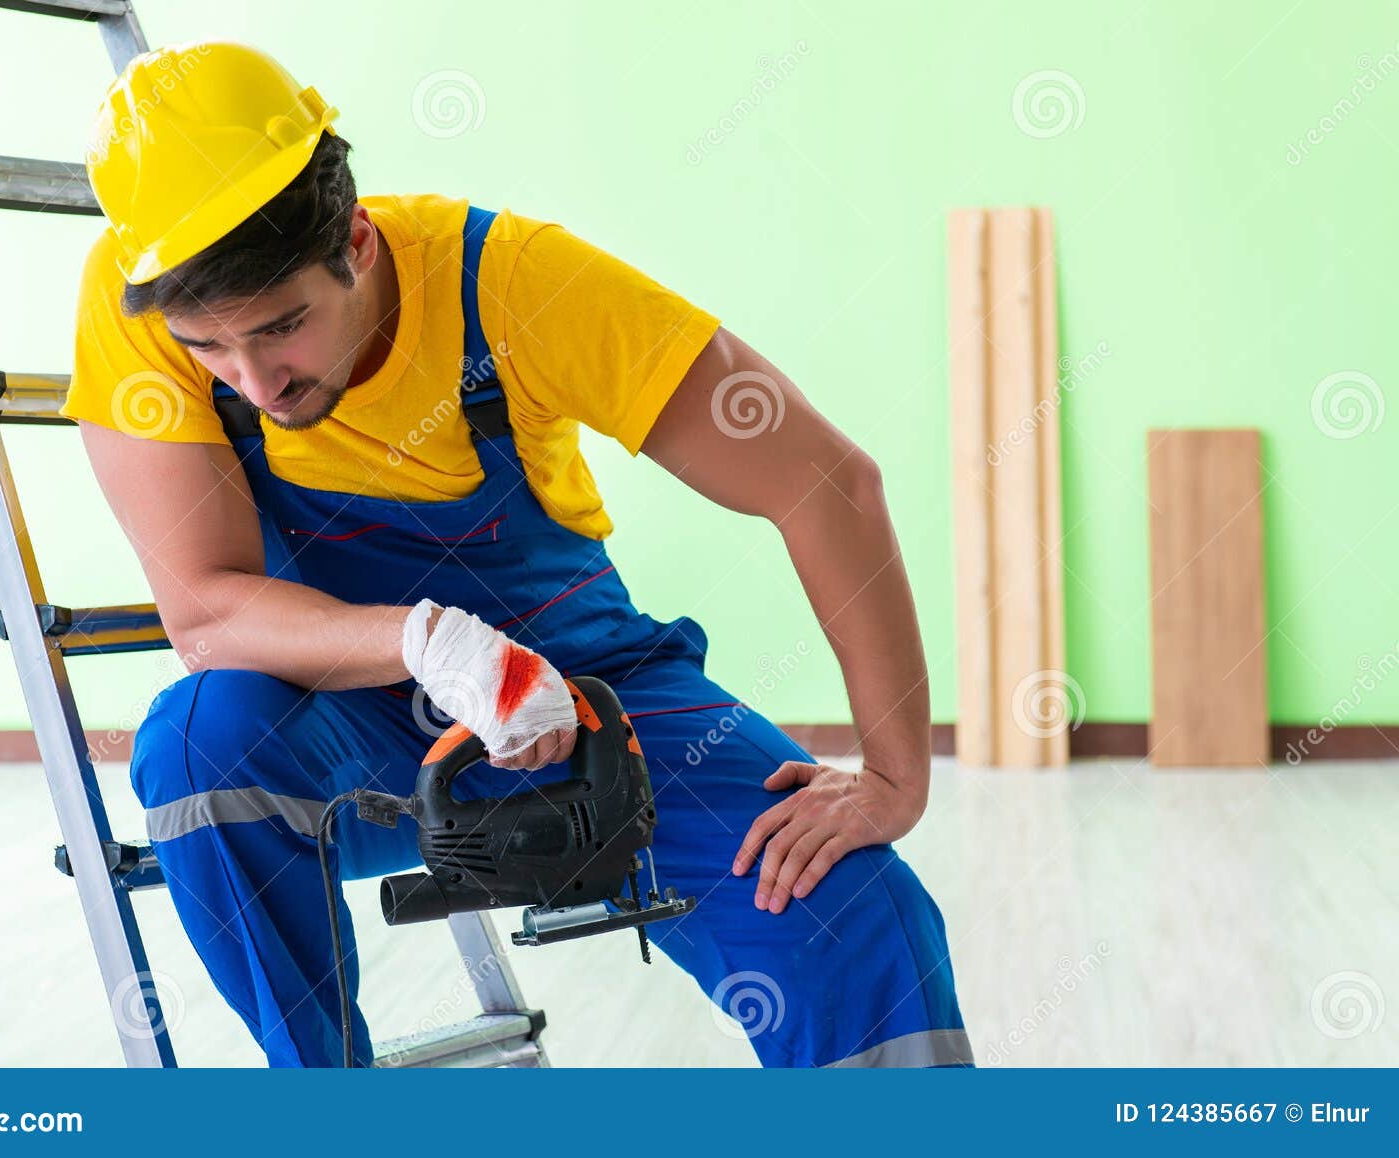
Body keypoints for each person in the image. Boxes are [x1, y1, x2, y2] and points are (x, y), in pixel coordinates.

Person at [64, 40, 971, 1068]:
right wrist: (435, 647)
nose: (254, 381)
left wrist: (895, 776)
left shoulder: (512, 283)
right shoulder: (137, 300)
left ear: (355, 241)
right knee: (199, 744)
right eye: (209, 349)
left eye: (282, 328)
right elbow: (207, 613)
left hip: (593, 694)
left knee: (847, 913)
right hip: (362, 729)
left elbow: (826, 482)